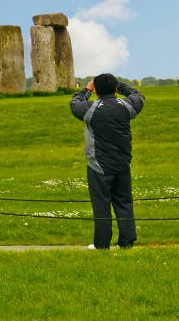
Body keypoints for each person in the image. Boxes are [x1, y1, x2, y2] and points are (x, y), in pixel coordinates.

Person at [70, 74, 145, 250]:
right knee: (124, 202)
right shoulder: (126, 106)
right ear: (114, 88)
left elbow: (74, 104)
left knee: (101, 205)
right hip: (123, 163)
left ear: (96, 90)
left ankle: (102, 245)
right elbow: (138, 95)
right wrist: (118, 86)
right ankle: (127, 242)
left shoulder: (91, 109)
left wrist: (87, 89)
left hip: (98, 165)